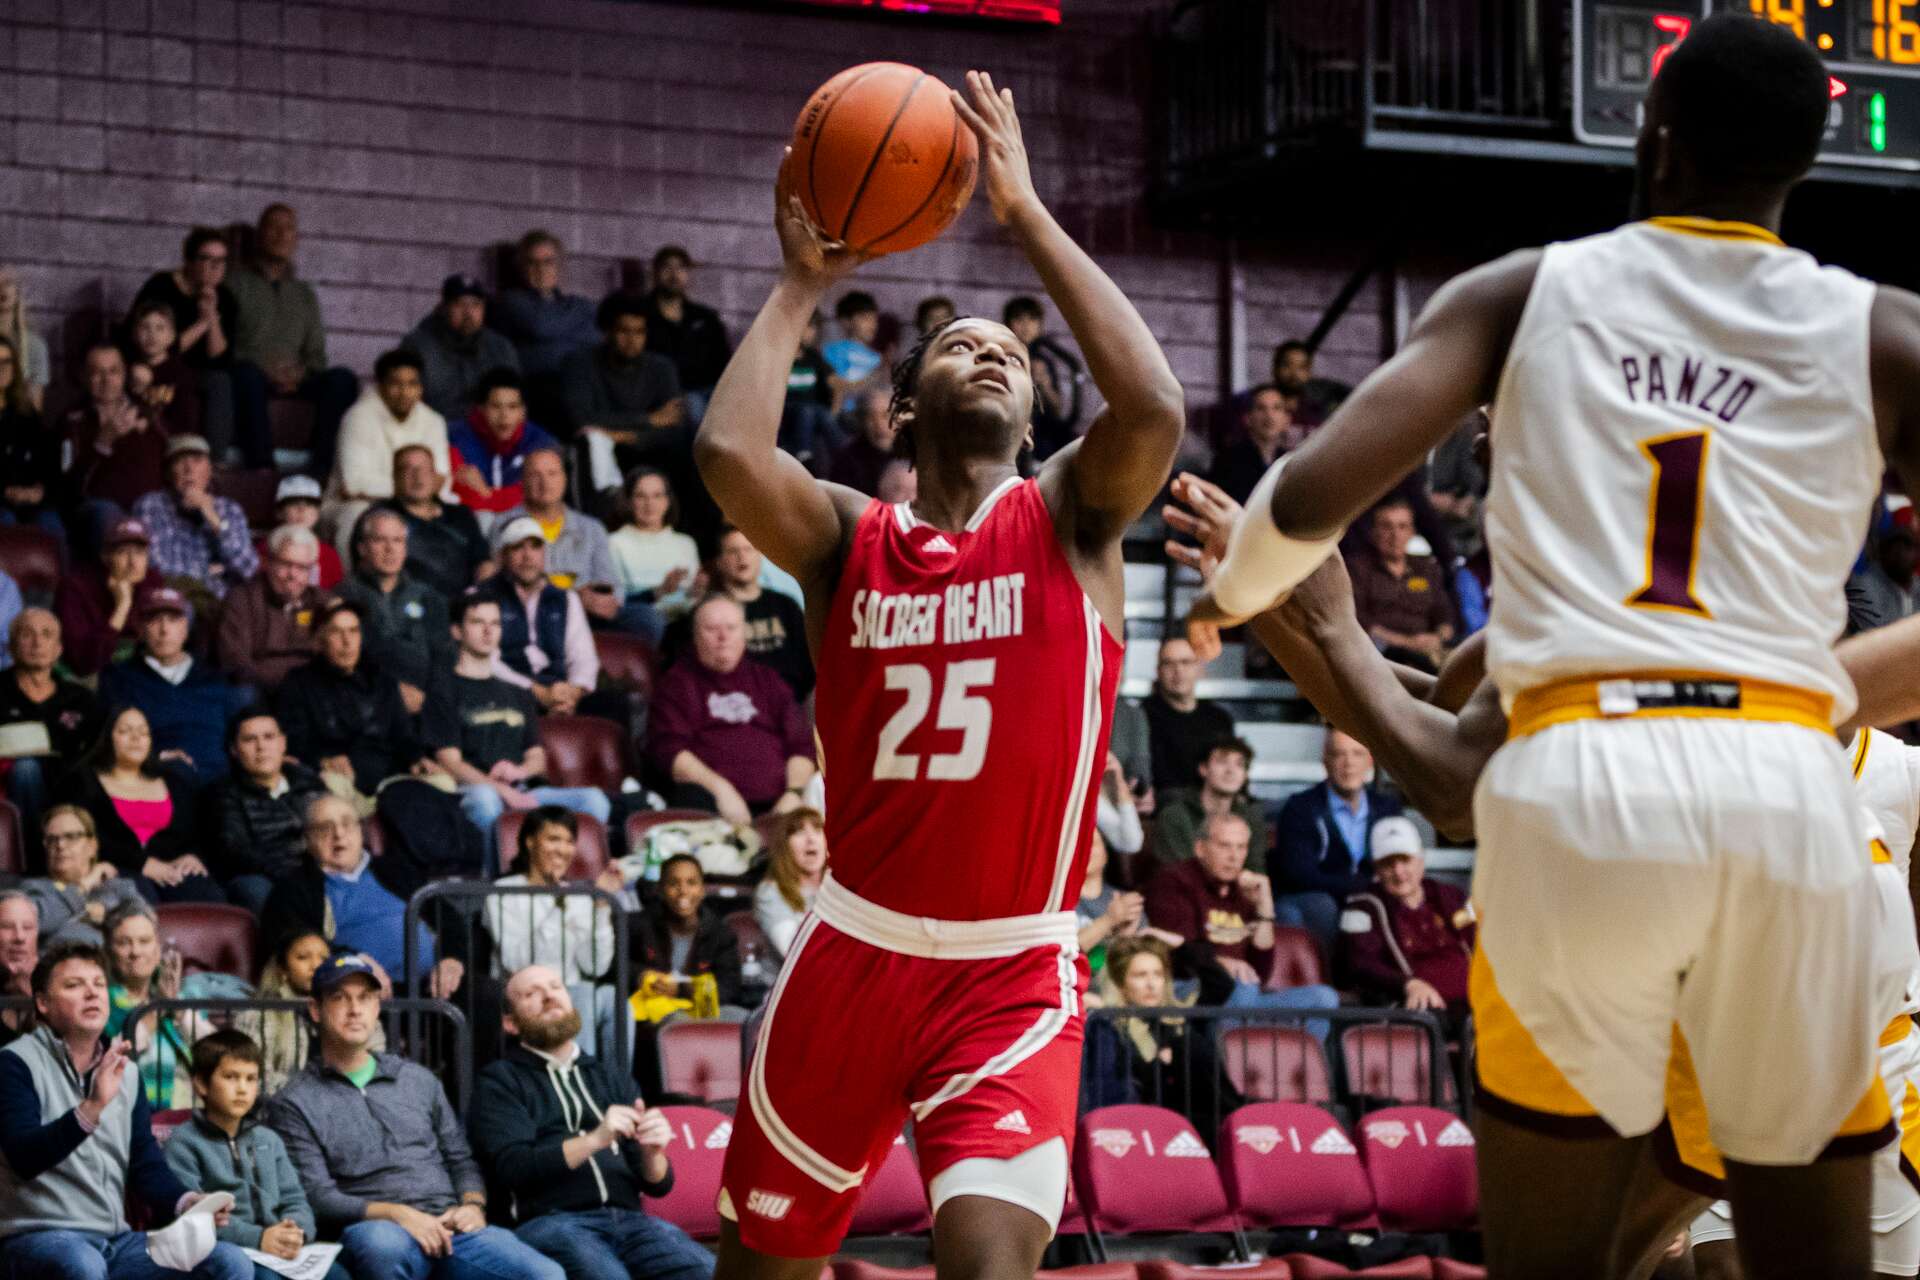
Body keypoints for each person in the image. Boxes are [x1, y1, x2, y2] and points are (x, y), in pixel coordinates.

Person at [1186, 16, 1920, 1275]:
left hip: (1585, 768)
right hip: (1786, 784)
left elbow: (1307, 500)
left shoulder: (1527, 289)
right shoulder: (1882, 328)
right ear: (1806, 166)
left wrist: (1237, 591)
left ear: (1655, 135)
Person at [693, 71, 1185, 1276]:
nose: (991, 355)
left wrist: (1025, 216)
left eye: (1012, 353)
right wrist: (804, 283)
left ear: (1033, 410)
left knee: (990, 1264)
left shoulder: (1073, 515)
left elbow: (1155, 405)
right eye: (960, 346)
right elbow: (724, 451)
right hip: (850, 950)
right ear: (904, 409)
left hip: (1012, 965)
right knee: (759, 1268)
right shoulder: (847, 539)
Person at [266, 953, 564, 1280]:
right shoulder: (294, 1101)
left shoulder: (417, 1079)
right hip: (375, 1228)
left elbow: (460, 1159)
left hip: (450, 1225)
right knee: (383, 1246)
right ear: (315, 1009)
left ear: (377, 1007)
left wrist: (473, 1206)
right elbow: (319, 1197)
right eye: (339, 998)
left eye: (365, 998)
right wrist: (399, 1214)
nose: (355, 1009)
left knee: (546, 1274)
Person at [0, 940, 251, 1280]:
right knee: (82, 1264)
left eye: (99, 984)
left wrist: (186, 1202)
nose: (92, 993)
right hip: (38, 1236)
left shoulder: (126, 1073)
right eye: (74, 985)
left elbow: (145, 1164)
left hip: (115, 1240)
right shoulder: (15, 1062)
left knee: (228, 1261)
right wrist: (92, 1108)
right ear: (43, 1003)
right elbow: (23, 1157)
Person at [472, 964, 713, 1280]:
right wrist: (594, 1140)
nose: (549, 997)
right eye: (531, 994)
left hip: (630, 1220)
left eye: (556, 987)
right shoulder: (499, 1082)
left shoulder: (608, 1076)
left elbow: (657, 1185)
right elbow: (514, 1168)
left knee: (710, 1271)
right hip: (549, 1221)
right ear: (511, 1023)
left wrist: (653, 1153)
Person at [426, 594, 612, 862]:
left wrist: (519, 771)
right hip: (469, 791)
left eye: (495, 624)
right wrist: (502, 790)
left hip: (523, 789)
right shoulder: (443, 690)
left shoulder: (518, 692)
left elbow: (536, 757)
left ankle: (572, 891)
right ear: (457, 631)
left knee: (594, 800)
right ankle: (495, 889)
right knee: (486, 800)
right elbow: (451, 763)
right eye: (478, 622)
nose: (489, 631)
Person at [164, 1029, 353, 1280]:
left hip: (278, 1247)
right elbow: (193, 1218)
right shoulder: (183, 1142)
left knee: (338, 1275)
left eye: (251, 1079)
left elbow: (295, 1199)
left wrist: (295, 1231)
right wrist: (259, 1238)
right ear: (200, 1084)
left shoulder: (268, 1139)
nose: (242, 1089)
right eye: (231, 1077)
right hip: (230, 1252)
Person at [258, 797, 466, 1012]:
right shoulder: (294, 888)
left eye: (347, 823)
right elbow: (293, 945)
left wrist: (452, 959)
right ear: (308, 839)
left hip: (435, 988)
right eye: (325, 828)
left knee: (484, 996)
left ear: (360, 830)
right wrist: (352, 962)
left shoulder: (397, 870)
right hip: (362, 996)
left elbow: (449, 919)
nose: (339, 834)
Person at [1143, 813, 1338, 1022]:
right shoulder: (1174, 881)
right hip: (1190, 989)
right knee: (1242, 983)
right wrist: (1223, 964)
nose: (1234, 856)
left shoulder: (1245, 889)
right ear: (1200, 848)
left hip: (1244, 995)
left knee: (1324, 998)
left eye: (1241, 847)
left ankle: (1260, 1046)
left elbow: (1260, 970)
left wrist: (1264, 905)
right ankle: (1230, 1051)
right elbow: (1183, 952)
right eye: (1225, 846)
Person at [648, 595, 814, 821]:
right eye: (712, 629)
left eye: (731, 628)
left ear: (744, 634)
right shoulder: (676, 684)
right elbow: (670, 752)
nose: (723, 637)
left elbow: (801, 746)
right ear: (695, 637)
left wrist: (793, 794)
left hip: (782, 803)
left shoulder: (768, 680)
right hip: (713, 803)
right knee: (690, 796)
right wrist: (721, 791)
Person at [226, 204, 358, 481]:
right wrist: (265, 369)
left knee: (343, 379)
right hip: (251, 377)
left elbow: (316, 356)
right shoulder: (234, 284)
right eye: (274, 226)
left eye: (289, 228)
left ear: (296, 239)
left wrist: (300, 375)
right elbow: (224, 348)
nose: (282, 234)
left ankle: (323, 469)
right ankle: (261, 467)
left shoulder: (303, 294)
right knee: (245, 376)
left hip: (295, 381)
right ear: (260, 234)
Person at [482, 811, 622, 1055]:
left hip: (571, 989)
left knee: (614, 999)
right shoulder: (503, 891)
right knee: (581, 996)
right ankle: (577, 1079)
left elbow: (595, 966)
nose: (563, 849)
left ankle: (614, 1089)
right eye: (554, 839)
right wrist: (556, 902)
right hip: (527, 994)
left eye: (569, 842)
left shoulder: (578, 896)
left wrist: (600, 908)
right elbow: (517, 962)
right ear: (530, 841)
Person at [275, 600, 436, 806]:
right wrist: (322, 759)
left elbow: (402, 732)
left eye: (353, 631)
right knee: (332, 785)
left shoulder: (381, 679)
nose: (347, 641)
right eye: (336, 632)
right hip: (339, 777)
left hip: (390, 775)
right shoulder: (299, 683)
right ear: (319, 640)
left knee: (443, 783)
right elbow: (293, 741)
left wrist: (417, 758)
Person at [64, 702, 224, 907]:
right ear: (105, 736)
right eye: (125, 731)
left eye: (143, 732)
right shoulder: (81, 781)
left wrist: (193, 855)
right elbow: (82, 836)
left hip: (171, 867)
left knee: (207, 899)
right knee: (137, 900)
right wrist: (142, 863)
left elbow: (198, 831)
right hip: (114, 867)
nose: (137, 738)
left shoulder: (172, 780)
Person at [1269, 729, 1403, 956]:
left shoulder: (1387, 808)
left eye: (1357, 754)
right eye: (1339, 754)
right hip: (1318, 899)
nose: (1348, 763)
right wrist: (1361, 885)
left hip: (1373, 898)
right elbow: (1299, 875)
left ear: (1370, 761)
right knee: (1322, 906)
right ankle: (1331, 984)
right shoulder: (1300, 808)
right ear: (1325, 761)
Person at [98, 587, 248, 787]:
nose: (164, 629)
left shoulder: (214, 678)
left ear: (186, 628)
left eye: (173, 619)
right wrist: (156, 758)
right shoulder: (119, 679)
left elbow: (238, 737)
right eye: (155, 620)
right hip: (156, 780)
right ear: (141, 628)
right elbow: (109, 744)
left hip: (220, 785)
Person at [1090, 934, 1242, 1129]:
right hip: (1151, 1121)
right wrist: (1160, 1063)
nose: (1152, 984)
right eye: (1140, 975)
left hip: (1200, 1116)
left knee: (1187, 1044)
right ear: (1122, 985)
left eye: (1158, 974)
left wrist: (1178, 943)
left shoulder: (1178, 1016)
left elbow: (1220, 982)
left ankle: (1236, 1117)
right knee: (1186, 1046)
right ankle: (1237, 1118)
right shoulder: (1113, 1027)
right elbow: (1126, 1084)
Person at [1336, 816, 1474, 1028]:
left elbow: (1479, 941)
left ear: (1421, 861)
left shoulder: (1450, 896)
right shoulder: (1362, 906)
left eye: (1405, 860)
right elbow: (1360, 964)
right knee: (1430, 1019)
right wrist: (1408, 984)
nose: (1399, 873)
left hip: (1474, 997)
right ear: (1376, 868)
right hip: (1421, 1006)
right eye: (1388, 864)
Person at [131, 228, 252, 465]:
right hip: (156, 365)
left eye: (221, 261)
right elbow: (156, 345)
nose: (214, 267)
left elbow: (220, 359)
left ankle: (213, 461)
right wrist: (201, 324)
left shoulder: (225, 298)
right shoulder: (163, 286)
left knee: (221, 381)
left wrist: (212, 317)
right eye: (206, 259)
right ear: (189, 261)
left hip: (196, 373)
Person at [326, 348, 450, 556]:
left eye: (412, 384)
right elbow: (354, 483)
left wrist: (405, 490)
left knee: (456, 516)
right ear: (381, 385)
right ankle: (351, 587)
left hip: (415, 502)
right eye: (396, 384)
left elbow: (441, 479)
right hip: (354, 505)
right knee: (357, 514)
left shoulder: (434, 420)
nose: (405, 392)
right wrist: (416, 488)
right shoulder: (358, 417)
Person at [204, 709, 329, 916]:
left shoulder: (308, 782)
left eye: (269, 737)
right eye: (250, 740)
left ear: (283, 744)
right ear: (234, 750)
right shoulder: (222, 794)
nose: (261, 747)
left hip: (322, 868)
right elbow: (236, 852)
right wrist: (297, 874)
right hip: (270, 878)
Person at [665, 526, 812, 699]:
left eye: (748, 550)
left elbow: (808, 666)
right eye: (733, 551)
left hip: (786, 704)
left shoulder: (786, 605)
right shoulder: (709, 612)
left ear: (760, 557)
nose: (742, 557)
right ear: (719, 562)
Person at [336, 508, 451, 716]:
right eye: (380, 540)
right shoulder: (344, 596)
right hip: (369, 702)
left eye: (398, 541)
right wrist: (391, 691)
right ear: (362, 548)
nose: (390, 549)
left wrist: (430, 699)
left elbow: (443, 656)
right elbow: (351, 659)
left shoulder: (427, 596)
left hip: (427, 700)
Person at [0, 608, 103, 838]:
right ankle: (35, 854)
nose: (37, 643)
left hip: (68, 785)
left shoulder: (80, 698)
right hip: (11, 786)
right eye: (27, 634)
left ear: (59, 649)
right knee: (26, 768)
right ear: (11, 647)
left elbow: (99, 748)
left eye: (47, 634)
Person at [481, 517, 600, 712]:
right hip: (508, 692)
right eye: (518, 547)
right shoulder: (480, 598)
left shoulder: (566, 599)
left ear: (544, 553)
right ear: (502, 555)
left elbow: (583, 657)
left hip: (560, 689)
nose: (528, 556)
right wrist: (538, 693)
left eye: (535, 547)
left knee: (618, 705)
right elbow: (486, 662)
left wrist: (573, 694)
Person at [133, 435, 259, 602]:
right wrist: (210, 571)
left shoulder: (229, 509)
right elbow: (156, 566)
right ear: (169, 473)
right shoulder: (151, 505)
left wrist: (215, 521)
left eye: (197, 460)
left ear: (209, 471)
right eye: (180, 461)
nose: (189, 468)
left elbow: (248, 569)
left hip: (218, 603)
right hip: (172, 598)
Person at [102, 900, 199, 1109]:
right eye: (124, 942)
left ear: (158, 948)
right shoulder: (103, 1001)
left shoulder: (184, 994)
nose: (135, 952)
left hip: (188, 1118)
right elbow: (116, 1057)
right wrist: (158, 1009)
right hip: (130, 1116)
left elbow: (214, 1049)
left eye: (144, 941)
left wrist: (178, 1010)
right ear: (109, 951)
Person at [1343, 496, 1453, 674]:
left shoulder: (1427, 568)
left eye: (1403, 527)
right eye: (1387, 526)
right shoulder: (1357, 569)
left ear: (1412, 532)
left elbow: (1444, 614)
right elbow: (1358, 621)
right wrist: (1407, 643)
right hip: (1379, 654)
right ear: (1373, 532)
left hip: (1427, 652)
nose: (1395, 535)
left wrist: (1437, 638)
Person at [214, 526, 323, 691]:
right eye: (285, 564)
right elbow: (236, 664)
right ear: (267, 562)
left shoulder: (323, 601)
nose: (292, 575)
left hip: (313, 692)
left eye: (302, 567)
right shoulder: (241, 599)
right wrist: (292, 683)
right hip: (261, 690)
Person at [68, 341, 166, 523]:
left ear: (124, 375)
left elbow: (171, 457)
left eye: (113, 371)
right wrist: (102, 443)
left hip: (150, 507)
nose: (106, 380)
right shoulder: (72, 421)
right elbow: (67, 486)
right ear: (84, 377)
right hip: (100, 508)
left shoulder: (149, 413)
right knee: (107, 514)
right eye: (97, 372)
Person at [630, 854, 743, 1011]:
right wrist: (642, 976)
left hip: (704, 1008)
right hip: (656, 1009)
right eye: (673, 883)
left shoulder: (720, 934)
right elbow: (617, 967)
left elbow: (730, 987)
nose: (683, 891)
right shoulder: (640, 925)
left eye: (691, 883)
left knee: (742, 1019)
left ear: (702, 890)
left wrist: (683, 989)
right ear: (661, 890)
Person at [447, 368, 559, 525]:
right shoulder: (454, 437)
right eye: (496, 407)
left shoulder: (540, 444)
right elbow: (461, 499)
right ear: (481, 409)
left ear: (523, 411)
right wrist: (505, 497)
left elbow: (537, 497)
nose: (504, 415)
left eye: (512, 407)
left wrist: (486, 494)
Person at [59, 519, 167, 678]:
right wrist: (122, 606)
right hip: (93, 676)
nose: (133, 563)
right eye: (123, 552)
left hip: (138, 674)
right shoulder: (74, 588)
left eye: (139, 552)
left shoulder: (152, 581)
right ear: (105, 557)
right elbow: (83, 664)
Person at [233, 929, 338, 1094]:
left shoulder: (349, 1013)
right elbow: (254, 1077)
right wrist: (313, 1096)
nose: (316, 965)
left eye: (324, 959)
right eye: (303, 957)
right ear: (283, 970)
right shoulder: (257, 1015)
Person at [22, 806, 144, 948]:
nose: (60, 845)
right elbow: (40, 921)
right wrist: (84, 885)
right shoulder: (33, 889)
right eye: (52, 839)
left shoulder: (119, 887)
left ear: (92, 846)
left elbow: (143, 922)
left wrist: (107, 917)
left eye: (71, 837)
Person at [407, 274, 521, 423]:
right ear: (444, 308)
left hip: (490, 434)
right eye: (459, 304)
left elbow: (516, 401)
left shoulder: (501, 348)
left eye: (475, 305)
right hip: (436, 431)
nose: (468, 313)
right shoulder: (418, 346)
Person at [1147, 737, 1270, 873]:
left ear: (1246, 775)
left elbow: (1255, 869)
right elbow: (1178, 874)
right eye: (1222, 762)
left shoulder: (1250, 817)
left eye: (1240, 765)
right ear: (1203, 768)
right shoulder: (1175, 815)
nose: (1231, 770)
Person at [641, 245, 732, 422]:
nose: (674, 274)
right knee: (694, 405)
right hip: (663, 392)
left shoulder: (705, 317)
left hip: (708, 389)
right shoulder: (642, 315)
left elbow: (724, 359)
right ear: (655, 273)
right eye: (667, 267)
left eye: (681, 268)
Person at [391, 445, 493, 602]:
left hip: (462, 607)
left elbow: (483, 562)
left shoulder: (461, 515)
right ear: (395, 477)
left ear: (435, 476)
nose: (418, 476)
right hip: (409, 607)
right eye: (408, 469)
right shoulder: (382, 520)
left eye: (424, 470)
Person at [493, 231, 600, 382]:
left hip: (574, 385)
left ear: (559, 266)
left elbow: (594, 342)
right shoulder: (511, 301)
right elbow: (541, 327)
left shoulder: (576, 304)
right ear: (522, 267)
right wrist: (573, 333)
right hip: (532, 386)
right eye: (532, 262)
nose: (541, 269)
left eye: (548, 262)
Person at [608, 467, 702, 626]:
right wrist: (661, 590)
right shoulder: (615, 543)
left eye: (657, 496)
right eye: (640, 496)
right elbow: (617, 602)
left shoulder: (686, 543)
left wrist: (698, 591)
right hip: (641, 624)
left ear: (667, 501)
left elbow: (690, 598)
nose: (650, 503)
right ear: (629, 502)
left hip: (686, 622)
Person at [1141, 636, 1235, 795]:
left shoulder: (1219, 718)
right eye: (1169, 663)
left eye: (1185, 662)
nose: (1178, 670)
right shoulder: (1143, 716)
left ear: (1199, 668)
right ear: (1158, 671)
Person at [0, 333, 67, 537]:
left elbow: (48, 459)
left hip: (31, 499)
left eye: (7, 362)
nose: (2, 368)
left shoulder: (26, 414)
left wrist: (39, 490)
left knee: (52, 527)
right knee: (7, 523)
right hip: (2, 502)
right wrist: (5, 491)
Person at [1001, 295, 1084, 458]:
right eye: (1018, 319)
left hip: (1041, 432)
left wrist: (1044, 384)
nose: (1025, 326)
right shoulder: (1001, 353)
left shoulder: (1044, 359)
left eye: (1032, 319)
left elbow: (1057, 408)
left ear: (1040, 326)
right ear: (1008, 323)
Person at [1206, 384, 1299, 507]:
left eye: (1276, 408)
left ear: (1287, 420)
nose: (1269, 416)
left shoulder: (1292, 462)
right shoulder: (1228, 460)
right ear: (1247, 418)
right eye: (1261, 408)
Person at [753, 807, 826, 960]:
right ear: (785, 846)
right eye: (799, 832)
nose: (811, 839)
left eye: (818, 830)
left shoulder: (841, 889)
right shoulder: (770, 892)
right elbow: (792, 950)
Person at [125, 302, 205, 439]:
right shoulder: (128, 371)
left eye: (160, 328)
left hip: (171, 439)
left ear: (172, 336)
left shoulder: (181, 374)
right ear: (135, 334)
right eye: (145, 327)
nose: (152, 334)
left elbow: (187, 422)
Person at [257, 475, 343, 591]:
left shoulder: (329, 555)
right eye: (293, 503)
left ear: (318, 513)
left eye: (309, 504)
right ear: (279, 512)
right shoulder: (264, 550)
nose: (302, 509)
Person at [825, 387, 897, 495]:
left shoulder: (919, 452)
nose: (879, 425)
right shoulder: (848, 458)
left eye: (886, 416)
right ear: (862, 420)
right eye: (870, 417)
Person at [1269, 339, 1350, 430]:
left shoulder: (1319, 410)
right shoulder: (1259, 409)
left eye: (1301, 367)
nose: (1294, 374)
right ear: (1275, 368)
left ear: (1309, 372)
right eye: (1287, 365)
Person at [0, 266, 51, 409]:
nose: (2, 288)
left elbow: (35, 407)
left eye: (8, 282)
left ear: (17, 292)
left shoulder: (35, 346)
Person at [821, 291, 881, 405]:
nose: (872, 324)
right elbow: (837, 387)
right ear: (846, 321)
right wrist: (870, 381)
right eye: (865, 318)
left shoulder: (876, 357)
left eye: (874, 319)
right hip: (844, 415)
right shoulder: (833, 351)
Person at [1851, 526, 1920, 627]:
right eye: (1894, 546)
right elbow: (1875, 633)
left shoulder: (1917, 584)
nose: (1900, 553)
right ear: (1882, 553)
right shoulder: (1865, 587)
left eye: (1907, 546)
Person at [0, 891, 34, 1049]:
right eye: (6, 927)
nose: (19, 937)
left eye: (27, 927)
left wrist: (30, 991)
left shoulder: (56, 980)